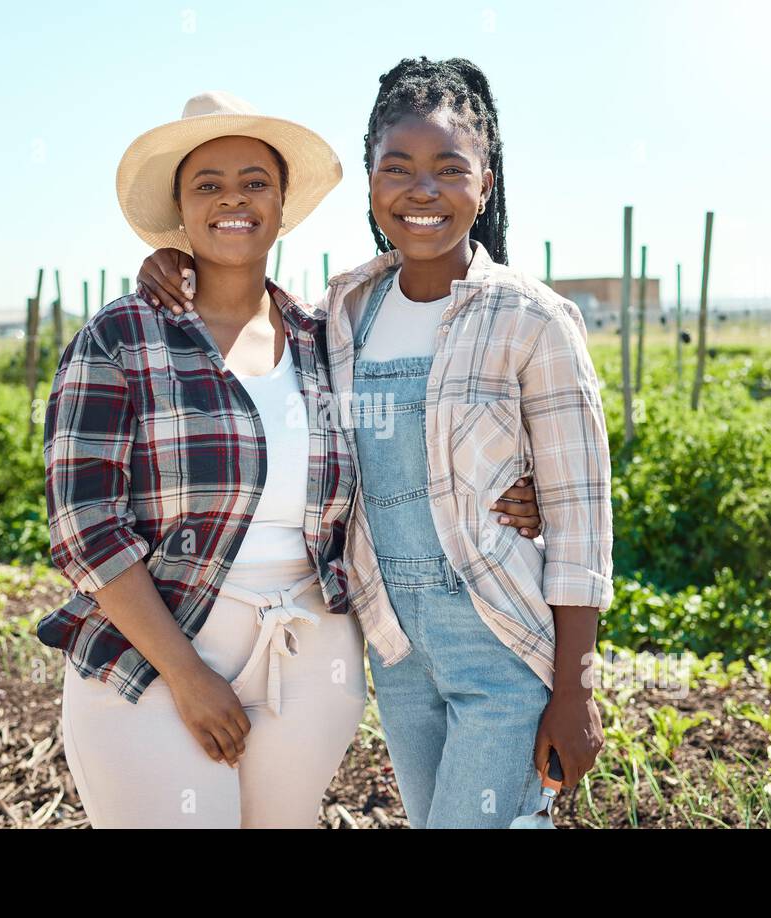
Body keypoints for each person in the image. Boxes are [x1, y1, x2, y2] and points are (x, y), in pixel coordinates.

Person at [137, 58, 614, 828]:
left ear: (485, 184)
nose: (422, 190)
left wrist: (576, 688)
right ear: (370, 185)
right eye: (398, 168)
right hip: (395, 653)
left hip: (502, 651)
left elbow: (583, 520)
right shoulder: (344, 310)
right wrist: (174, 264)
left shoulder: (534, 321)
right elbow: (248, 316)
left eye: (449, 169)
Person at [38, 91, 364, 828]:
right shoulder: (122, 335)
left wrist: (514, 490)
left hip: (310, 657)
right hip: (155, 650)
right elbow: (83, 521)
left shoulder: (325, 339)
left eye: (255, 182)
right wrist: (185, 673)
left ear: (282, 204)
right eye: (207, 185)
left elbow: (408, 450)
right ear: (181, 211)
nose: (233, 200)